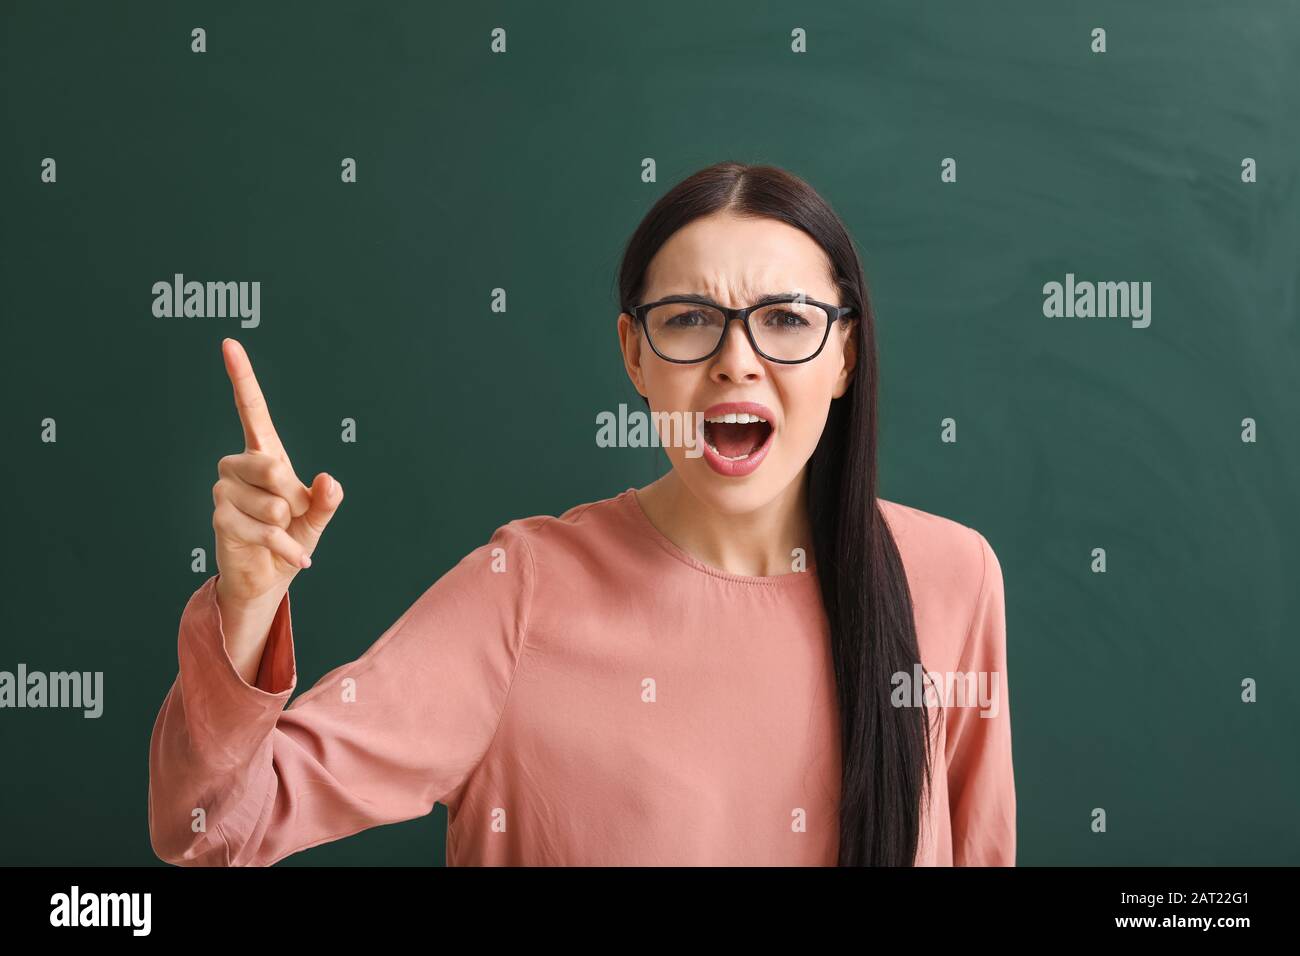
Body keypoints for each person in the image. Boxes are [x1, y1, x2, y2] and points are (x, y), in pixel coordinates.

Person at [148, 161, 1015, 867]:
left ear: (845, 356)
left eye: (786, 320)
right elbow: (213, 829)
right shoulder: (518, 593)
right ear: (635, 355)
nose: (736, 363)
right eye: (689, 320)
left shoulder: (950, 577)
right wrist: (247, 607)